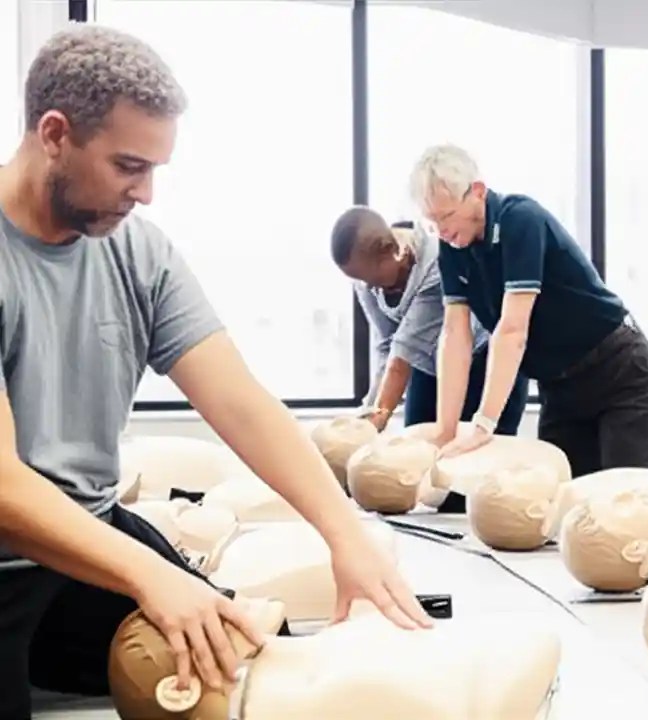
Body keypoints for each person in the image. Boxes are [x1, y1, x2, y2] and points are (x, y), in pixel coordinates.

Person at [0, 26, 429, 718]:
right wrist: (151, 577)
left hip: (90, 534)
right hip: (10, 551)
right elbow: (5, 489)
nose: (144, 193)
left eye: (155, 170)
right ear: (54, 134)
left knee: (246, 663)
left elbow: (240, 402)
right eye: (128, 166)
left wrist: (346, 534)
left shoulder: (139, 253)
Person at [410, 144, 648, 476]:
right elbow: (454, 335)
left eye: (446, 217)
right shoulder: (452, 247)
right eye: (432, 222)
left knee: (624, 503)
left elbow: (512, 329)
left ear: (477, 192)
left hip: (617, 370)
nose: (441, 231)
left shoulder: (519, 220)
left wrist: (484, 424)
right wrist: (446, 431)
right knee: (563, 506)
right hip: (559, 386)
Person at [329, 207, 528, 437]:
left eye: (372, 279)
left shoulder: (435, 262)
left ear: (392, 251)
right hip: (430, 360)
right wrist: (369, 412)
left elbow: (402, 355)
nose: (369, 287)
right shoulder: (365, 279)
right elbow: (387, 346)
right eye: (361, 281)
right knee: (418, 445)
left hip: (485, 358)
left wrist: (376, 422)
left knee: (476, 454)